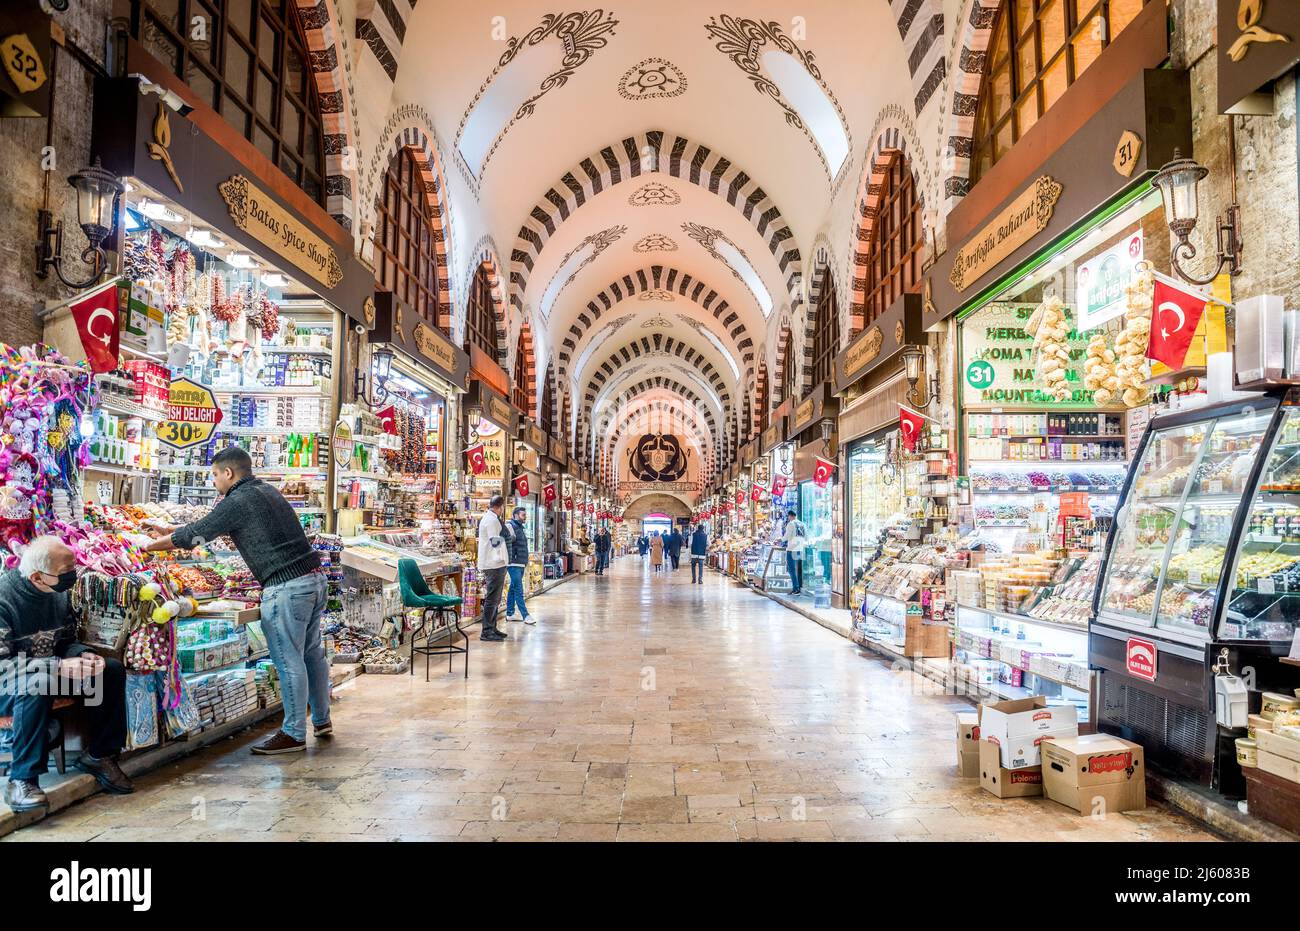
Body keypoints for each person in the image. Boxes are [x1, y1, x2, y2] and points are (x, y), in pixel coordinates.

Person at [144, 445, 331, 755]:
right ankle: (321, 720)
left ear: (228, 473)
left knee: (288, 659)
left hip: (286, 586)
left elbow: (198, 535)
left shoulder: (237, 500)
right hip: (312, 579)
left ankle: (294, 733)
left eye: (215, 476)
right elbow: (209, 529)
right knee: (311, 653)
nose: (214, 482)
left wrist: (150, 546)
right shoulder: (265, 491)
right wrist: (170, 530)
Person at [1, 536, 132, 811]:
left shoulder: (57, 594)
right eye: (66, 572)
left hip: (48, 674)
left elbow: (65, 641)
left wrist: (81, 655)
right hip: (10, 682)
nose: (72, 576)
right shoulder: (4, 600)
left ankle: (99, 753)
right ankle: (22, 779)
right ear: (37, 576)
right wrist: (58, 666)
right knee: (35, 684)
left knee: (109, 671)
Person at [475, 495, 511, 641]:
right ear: (500, 506)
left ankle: (493, 627)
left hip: (496, 563)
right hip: (493, 563)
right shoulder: (491, 520)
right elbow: (495, 541)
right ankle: (487, 631)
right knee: (492, 598)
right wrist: (509, 538)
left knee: (495, 598)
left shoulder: (492, 518)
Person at [504, 506, 535, 626]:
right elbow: (507, 542)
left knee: (513, 587)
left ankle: (510, 613)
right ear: (515, 515)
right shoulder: (510, 526)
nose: (525, 517)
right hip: (513, 562)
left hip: (521, 562)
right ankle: (525, 615)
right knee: (518, 589)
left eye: (525, 515)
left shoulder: (520, 528)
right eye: (523, 515)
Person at [781, 509, 808, 595]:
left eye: (788, 517)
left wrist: (781, 539)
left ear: (790, 516)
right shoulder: (802, 524)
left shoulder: (791, 524)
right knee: (799, 569)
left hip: (792, 549)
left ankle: (795, 588)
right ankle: (800, 587)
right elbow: (806, 536)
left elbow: (787, 536)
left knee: (792, 569)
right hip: (800, 548)